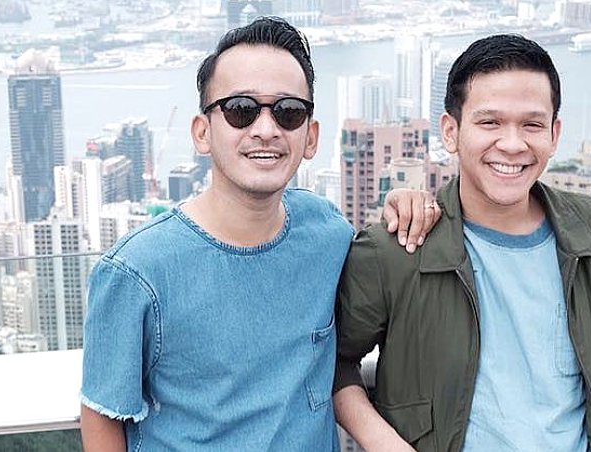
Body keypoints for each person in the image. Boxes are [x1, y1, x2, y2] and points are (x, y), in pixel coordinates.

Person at [79, 17, 440, 451]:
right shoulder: (135, 273)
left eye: (288, 112)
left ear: (311, 137)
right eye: (240, 109)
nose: (266, 129)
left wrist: (405, 201)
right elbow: (103, 416)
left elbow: (350, 336)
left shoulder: (327, 232)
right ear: (202, 132)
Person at [333, 34, 591, 452]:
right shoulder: (397, 248)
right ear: (451, 131)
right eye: (490, 123)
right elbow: (334, 362)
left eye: (532, 125)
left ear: (554, 134)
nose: (513, 144)